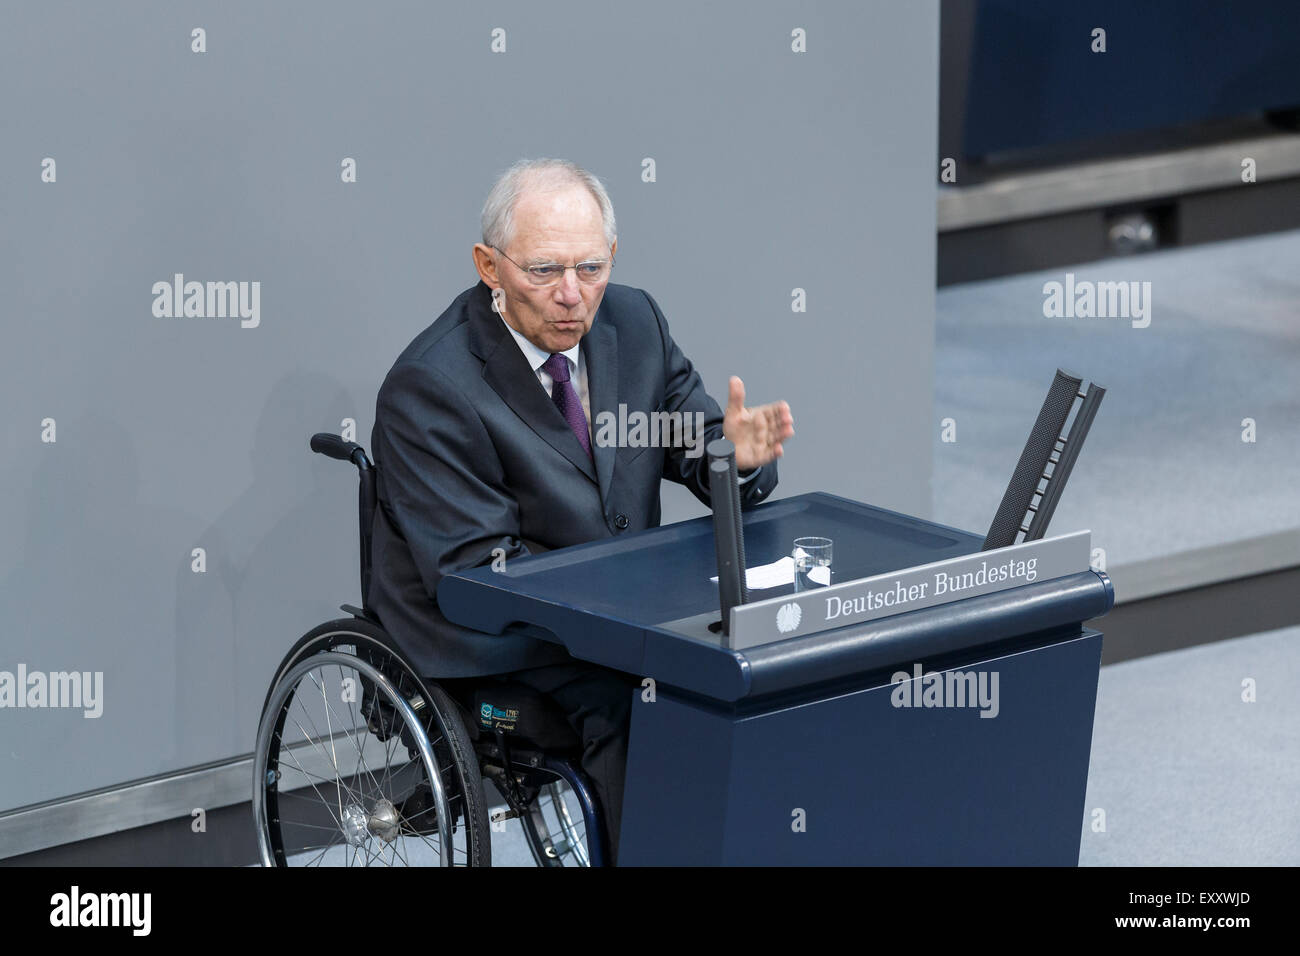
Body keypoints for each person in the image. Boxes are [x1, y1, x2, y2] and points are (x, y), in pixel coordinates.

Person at [368, 158, 794, 863]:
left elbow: (695, 439)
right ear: (489, 266)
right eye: (543, 271)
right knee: (647, 704)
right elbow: (477, 573)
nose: (572, 295)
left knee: (759, 664)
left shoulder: (634, 322)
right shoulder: (432, 387)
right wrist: (629, 619)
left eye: (590, 268)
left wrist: (735, 461)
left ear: (612, 258)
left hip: (615, 614)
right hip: (497, 637)